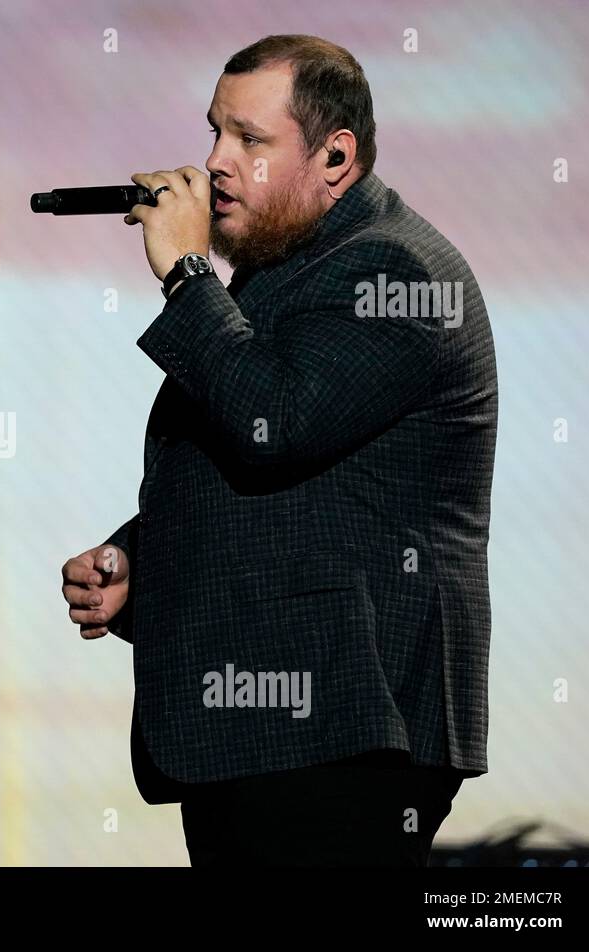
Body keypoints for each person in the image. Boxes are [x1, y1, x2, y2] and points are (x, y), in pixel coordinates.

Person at [60, 35, 497, 866]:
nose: (216, 163)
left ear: (336, 156)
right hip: (266, 732)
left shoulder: (396, 273)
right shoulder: (287, 268)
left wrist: (189, 274)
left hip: (343, 727)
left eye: (250, 141)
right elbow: (274, 476)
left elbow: (276, 423)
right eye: (215, 132)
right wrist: (138, 560)